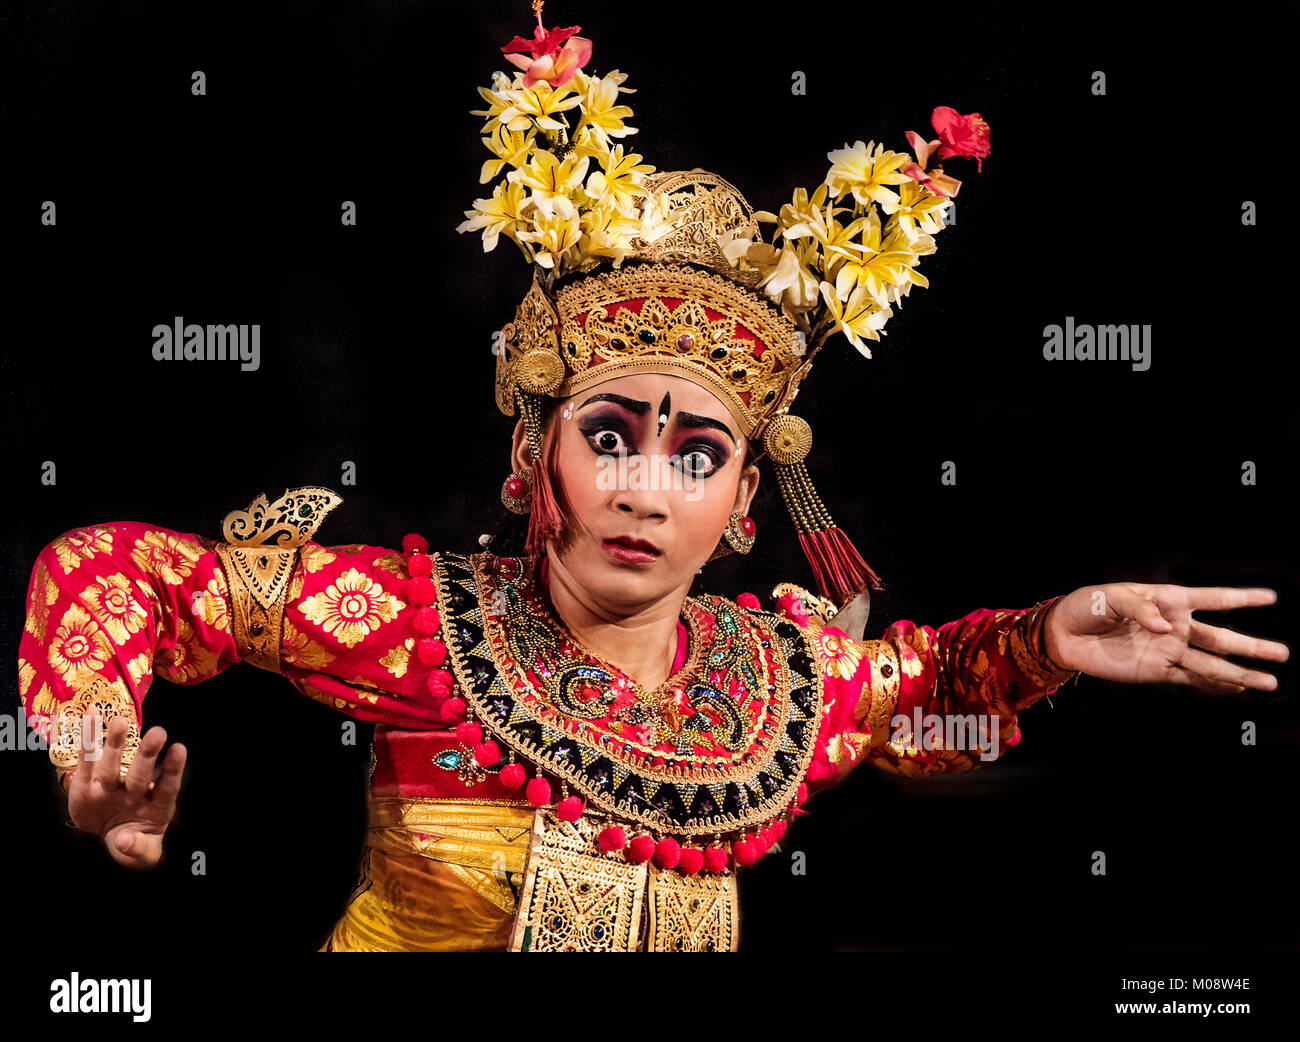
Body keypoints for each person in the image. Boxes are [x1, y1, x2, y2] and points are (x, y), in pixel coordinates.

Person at [15, 2, 1287, 952]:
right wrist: (89, 751)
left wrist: (1048, 637)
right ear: (533, 455)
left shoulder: (779, 688)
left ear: (741, 508)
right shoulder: (418, 629)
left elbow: (931, 694)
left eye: (696, 456)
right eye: (610, 435)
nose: (642, 487)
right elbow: (116, 570)